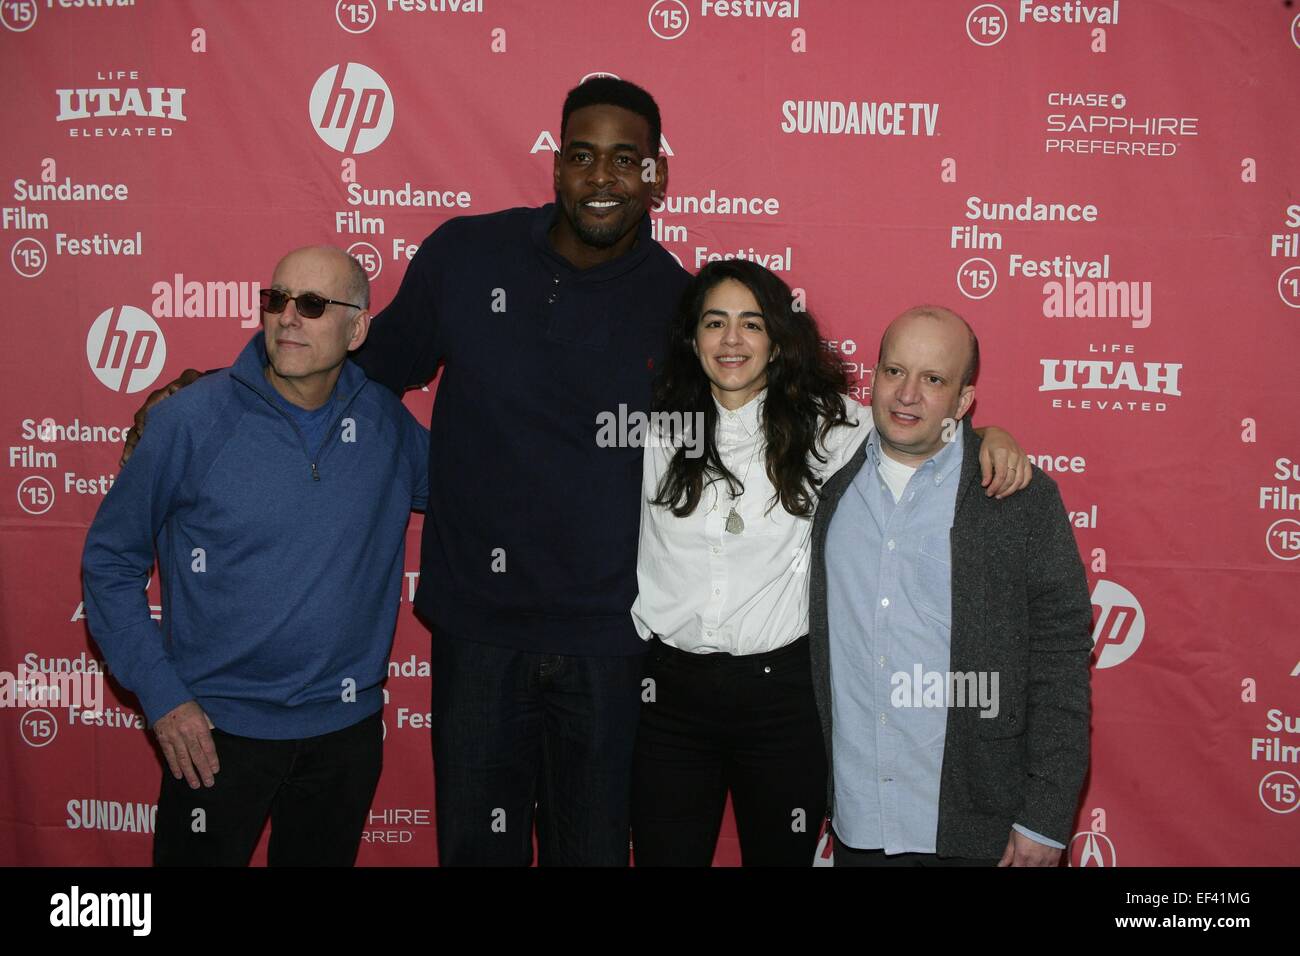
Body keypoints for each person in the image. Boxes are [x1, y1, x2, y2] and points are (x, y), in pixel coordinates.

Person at [120, 79, 1030, 866]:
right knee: (479, 851)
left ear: (656, 174)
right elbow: (355, 369)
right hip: (479, 632)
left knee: (594, 852)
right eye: (583, 156)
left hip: (612, 644)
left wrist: (971, 437)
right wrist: (225, 389)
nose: (602, 177)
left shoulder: (682, 304)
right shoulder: (464, 257)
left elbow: (786, 418)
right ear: (555, 164)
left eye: (624, 159)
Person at [631, 267, 1033, 866]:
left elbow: (921, 422)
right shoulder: (655, 430)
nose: (732, 340)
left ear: (777, 340)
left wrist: (992, 435)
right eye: (715, 323)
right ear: (693, 339)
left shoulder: (829, 426)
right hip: (669, 697)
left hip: (782, 701)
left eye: (752, 324)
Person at [83, 246, 429, 866]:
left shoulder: (384, 424)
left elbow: (483, 496)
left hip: (344, 737)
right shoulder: (190, 420)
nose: (288, 317)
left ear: (357, 329)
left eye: (313, 304)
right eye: (277, 300)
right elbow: (110, 563)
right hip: (214, 738)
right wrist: (163, 697)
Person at [809, 306, 1093, 867]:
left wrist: (1046, 814)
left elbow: (1061, 660)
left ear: (963, 402)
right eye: (894, 372)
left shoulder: (1018, 500)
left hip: (980, 830)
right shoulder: (833, 488)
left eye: (934, 379)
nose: (907, 395)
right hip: (860, 825)